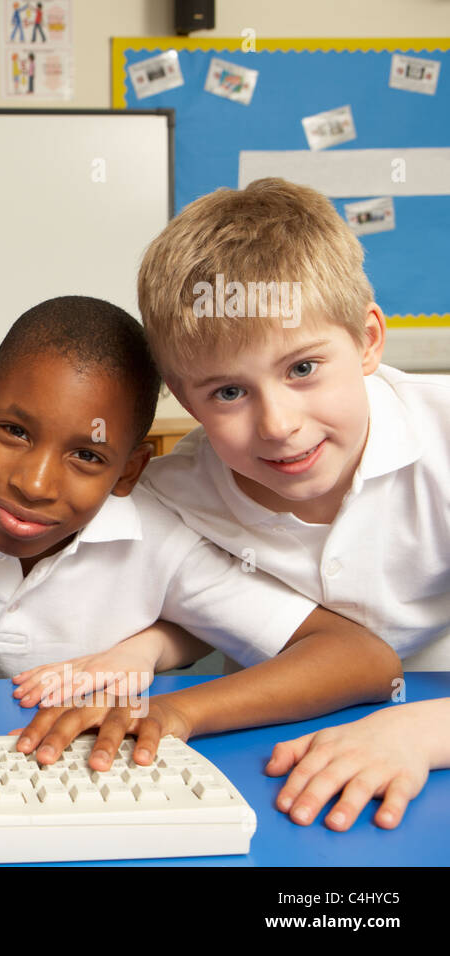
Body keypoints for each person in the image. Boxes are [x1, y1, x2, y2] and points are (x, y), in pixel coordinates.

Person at [0, 297, 402, 776]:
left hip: (99, 768)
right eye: (13, 431)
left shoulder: (162, 541)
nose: (33, 483)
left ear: (130, 471)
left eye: (87, 455)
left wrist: (173, 711)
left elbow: (363, 660)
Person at [133, 176, 450, 831]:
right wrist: (149, 645)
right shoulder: (172, 496)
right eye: (227, 393)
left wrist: (420, 733)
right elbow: (199, 605)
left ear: (367, 340)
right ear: (185, 401)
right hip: (259, 744)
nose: (277, 424)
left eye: (302, 368)